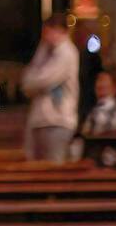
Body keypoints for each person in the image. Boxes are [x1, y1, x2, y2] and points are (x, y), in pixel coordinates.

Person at [20, 13, 80, 162]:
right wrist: (31, 81)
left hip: (58, 120)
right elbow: (26, 81)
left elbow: (44, 80)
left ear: (61, 31)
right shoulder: (45, 50)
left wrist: (33, 81)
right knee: (34, 169)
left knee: (53, 169)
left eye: (49, 32)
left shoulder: (67, 52)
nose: (46, 36)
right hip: (39, 118)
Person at [81, 70, 116, 136]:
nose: (100, 83)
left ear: (114, 89)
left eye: (104, 88)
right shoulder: (93, 109)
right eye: (98, 88)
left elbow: (113, 129)